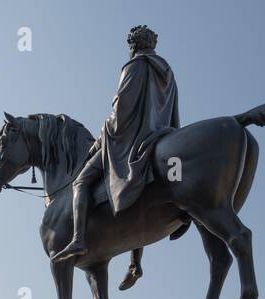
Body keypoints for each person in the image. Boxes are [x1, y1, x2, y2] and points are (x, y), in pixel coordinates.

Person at [51, 24, 181, 277]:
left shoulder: (133, 67)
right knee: (140, 188)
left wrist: (100, 139)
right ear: (152, 44)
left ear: (133, 45)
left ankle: (78, 238)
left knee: (81, 182)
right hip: (161, 134)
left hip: (130, 138)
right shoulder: (167, 72)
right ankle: (135, 261)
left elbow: (120, 113)